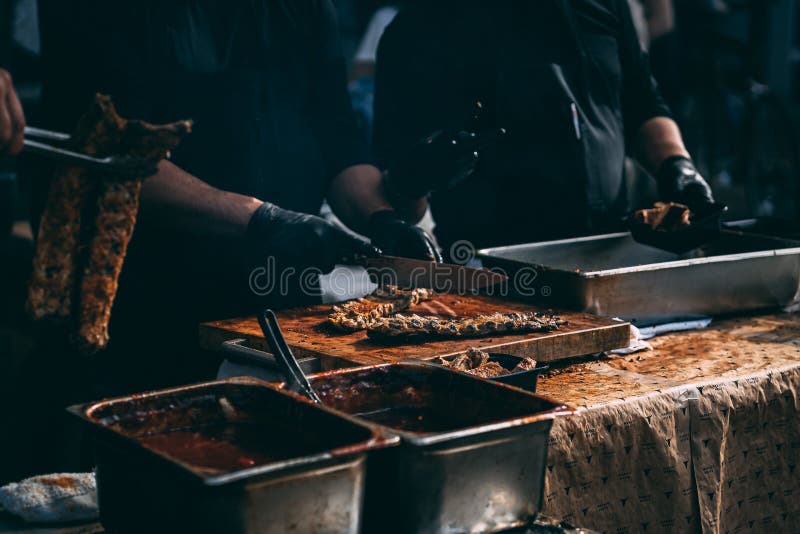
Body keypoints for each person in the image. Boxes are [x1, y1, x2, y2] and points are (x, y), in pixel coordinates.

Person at [373, 0, 715, 255]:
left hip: (608, 254)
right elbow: (396, 191)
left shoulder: (605, 4)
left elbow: (642, 102)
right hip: (493, 272)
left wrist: (675, 165)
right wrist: (414, 177)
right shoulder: (416, 30)